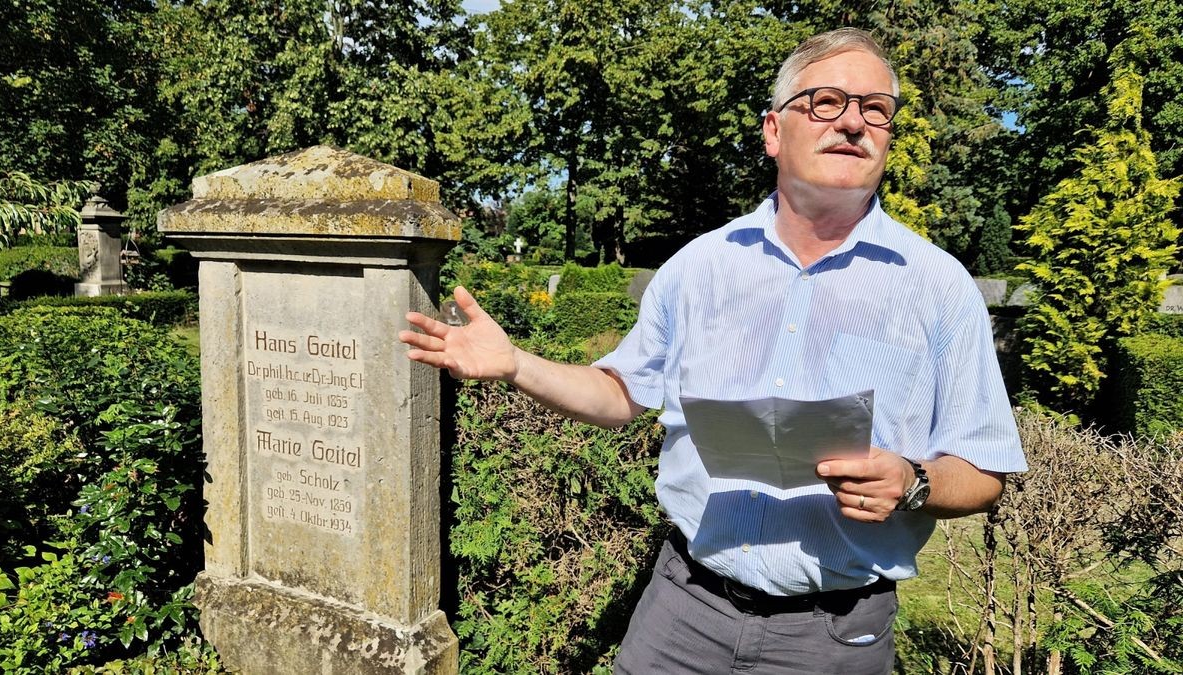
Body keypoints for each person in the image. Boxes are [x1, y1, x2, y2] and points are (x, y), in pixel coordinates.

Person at [399, 27, 1026, 675]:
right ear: (773, 132)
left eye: (875, 109)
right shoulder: (700, 267)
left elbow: (985, 473)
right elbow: (620, 393)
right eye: (827, 101)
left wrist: (913, 480)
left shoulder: (938, 287)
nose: (854, 123)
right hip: (684, 610)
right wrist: (516, 364)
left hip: (833, 637)